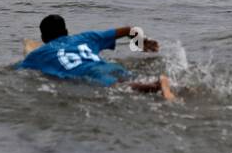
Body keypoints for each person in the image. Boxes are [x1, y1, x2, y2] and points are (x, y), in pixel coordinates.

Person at [16, 14, 175, 98]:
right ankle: (175, 88)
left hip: (90, 73)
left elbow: (18, 70)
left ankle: (156, 85)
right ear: (66, 32)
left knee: (118, 89)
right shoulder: (86, 37)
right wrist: (142, 43)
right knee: (131, 80)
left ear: (43, 39)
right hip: (109, 66)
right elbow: (128, 29)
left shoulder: (38, 55)